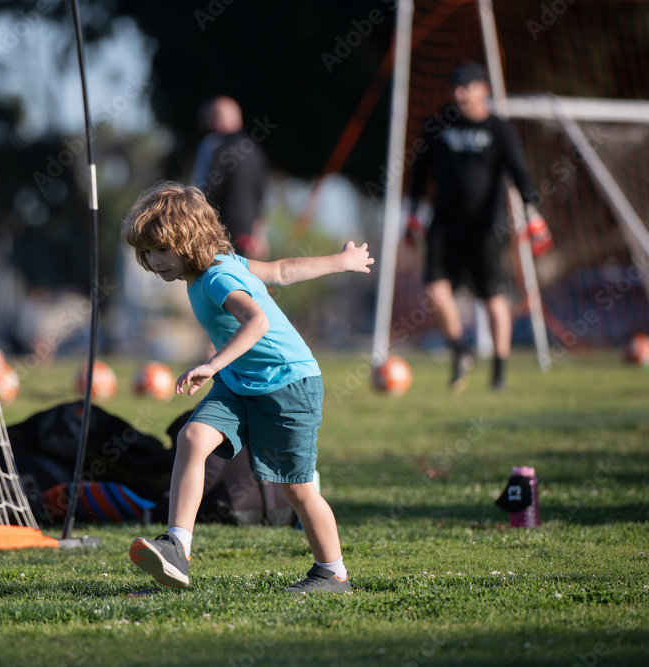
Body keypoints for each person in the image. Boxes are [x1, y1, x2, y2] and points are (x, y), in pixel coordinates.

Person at [120, 181, 374, 593]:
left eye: (163, 250)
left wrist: (212, 363)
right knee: (194, 436)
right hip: (240, 384)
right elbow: (281, 271)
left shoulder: (218, 276)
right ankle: (176, 548)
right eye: (148, 252)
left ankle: (333, 571)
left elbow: (257, 321)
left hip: (288, 384)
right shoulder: (223, 263)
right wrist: (341, 260)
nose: (155, 260)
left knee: (298, 489)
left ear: (190, 240)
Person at [407, 62, 551, 391]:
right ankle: (460, 349)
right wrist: (413, 212)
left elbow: (519, 172)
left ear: (483, 90)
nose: (459, 93)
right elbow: (419, 171)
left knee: (492, 299)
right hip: (444, 226)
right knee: (435, 291)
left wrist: (534, 213)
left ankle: (499, 372)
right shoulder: (438, 125)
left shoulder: (498, 129)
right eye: (455, 87)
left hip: (487, 229)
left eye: (467, 86)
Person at [190, 96, 269, 259]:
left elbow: (203, 191)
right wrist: (259, 235)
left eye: (212, 118)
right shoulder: (255, 151)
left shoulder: (213, 146)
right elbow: (261, 195)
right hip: (248, 236)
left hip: (218, 233)